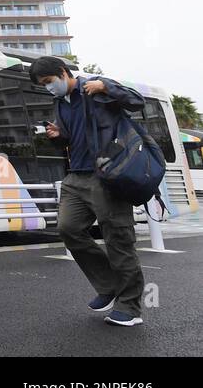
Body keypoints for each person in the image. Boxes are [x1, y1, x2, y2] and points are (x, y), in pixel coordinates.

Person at [32, 55, 148, 327]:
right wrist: (58, 138)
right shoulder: (60, 103)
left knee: (118, 238)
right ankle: (108, 285)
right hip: (77, 176)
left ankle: (130, 307)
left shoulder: (95, 87)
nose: (49, 88)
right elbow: (73, 140)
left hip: (106, 175)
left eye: (50, 81)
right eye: (44, 85)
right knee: (67, 228)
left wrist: (106, 87)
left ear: (63, 72)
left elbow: (137, 101)